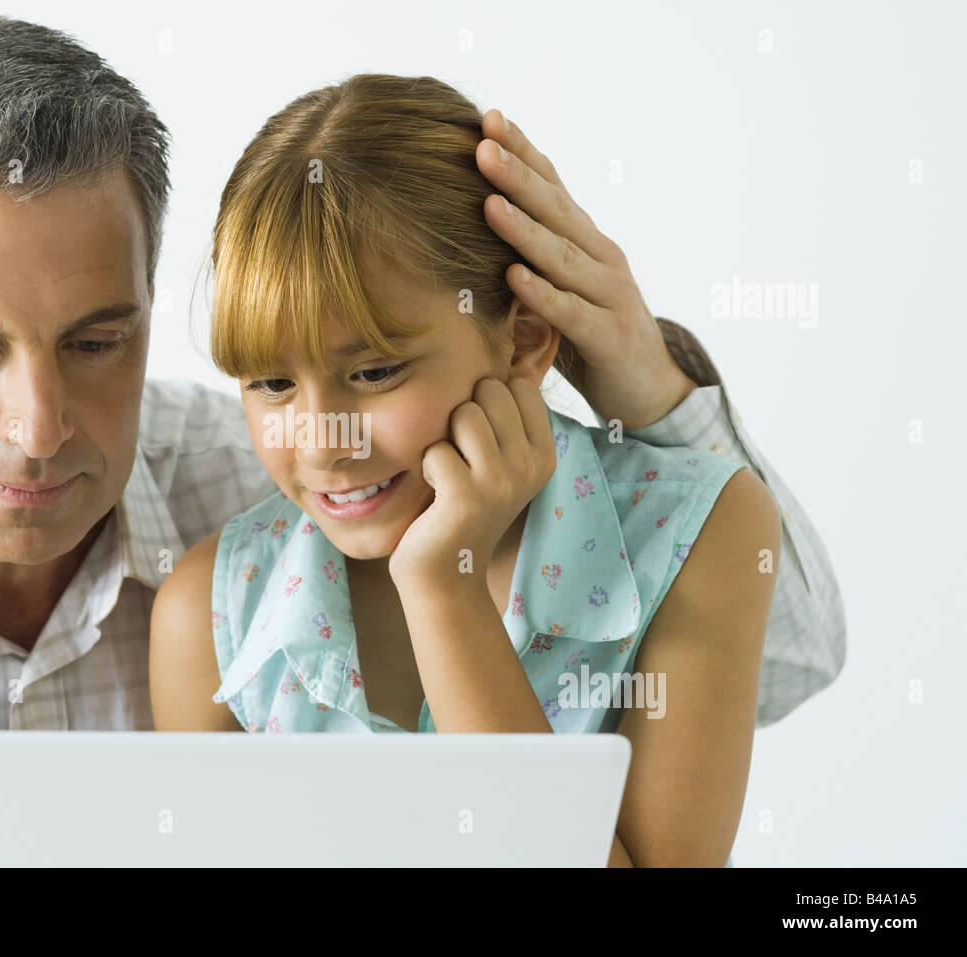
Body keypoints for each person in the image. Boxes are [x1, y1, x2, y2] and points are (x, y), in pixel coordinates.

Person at [0, 19, 842, 867]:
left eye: (97, 341)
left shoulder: (299, 495)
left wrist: (648, 387)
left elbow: (790, 658)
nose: (39, 431)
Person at [149, 74, 796, 867]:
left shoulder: (700, 530)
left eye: (376, 371)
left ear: (524, 340)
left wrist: (444, 590)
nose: (320, 445)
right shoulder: (214, 612)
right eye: (271, 383)